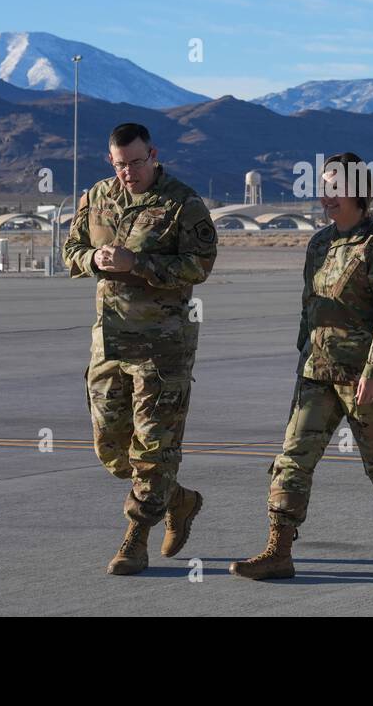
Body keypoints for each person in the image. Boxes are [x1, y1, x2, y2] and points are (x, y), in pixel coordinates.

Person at [230, 152, 373, 580]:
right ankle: (278, 550)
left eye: (334, 188)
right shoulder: (319, 242)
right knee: (292, 458)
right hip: (317, 374)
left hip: (364, 379)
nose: (325, 196)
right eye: (323, 187)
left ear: (358, 192)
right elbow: (308, 308)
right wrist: (304, 356)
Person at [63, 122, 217, 575]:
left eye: (135, 162)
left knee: (153, 450)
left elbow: (200, 265)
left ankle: (135, 539)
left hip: (162, 348)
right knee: (112, 450)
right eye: (119, 164)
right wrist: (93, 258)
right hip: (108, 343)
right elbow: (71, 248)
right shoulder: (97, 197)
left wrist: (139, 264)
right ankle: (180, 499)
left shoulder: (182, 203)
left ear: (153, 154)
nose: (128, 172)